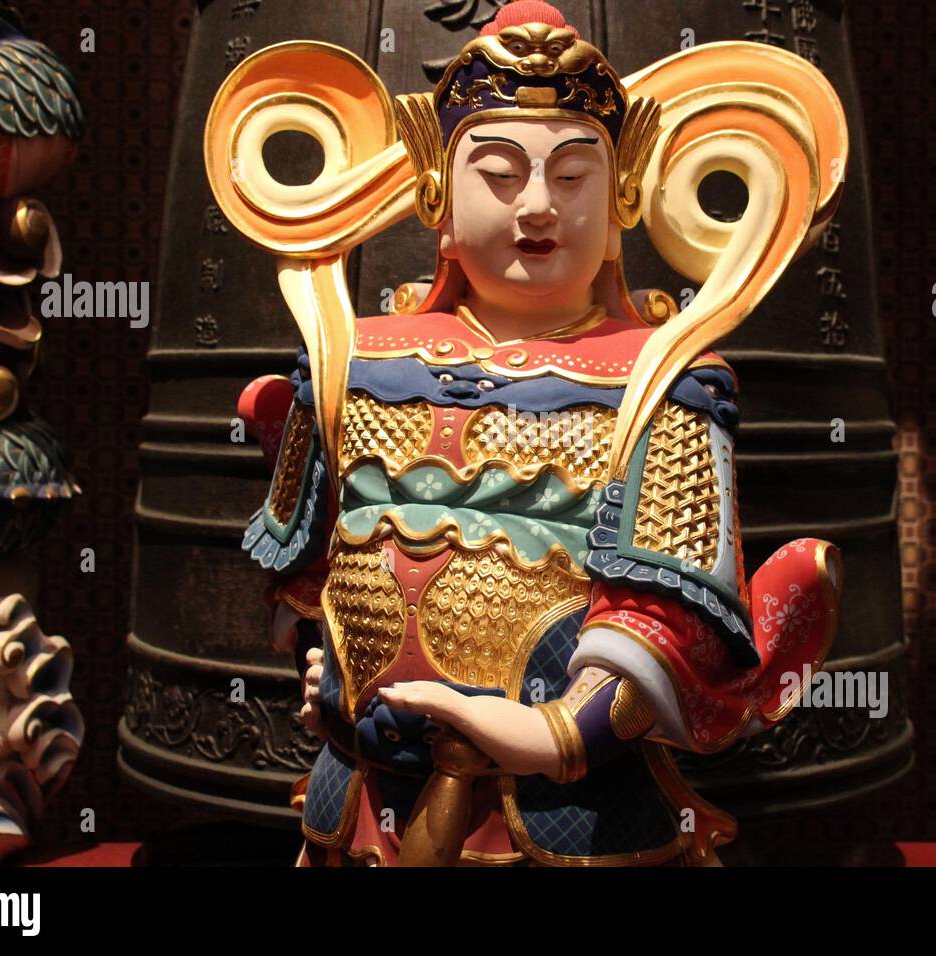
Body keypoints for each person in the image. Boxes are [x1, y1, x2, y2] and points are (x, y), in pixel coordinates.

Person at [238, 0, 841, 866]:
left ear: (619, 196)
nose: (536, 206)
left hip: (572, 810)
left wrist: (556, 730)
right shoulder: (348, 359)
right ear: (439, 197)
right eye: (497, 171)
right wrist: (318, 661)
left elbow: (671, 620)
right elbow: (304, 562)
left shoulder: (664, 383)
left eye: (571, 176)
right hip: (365, 795)